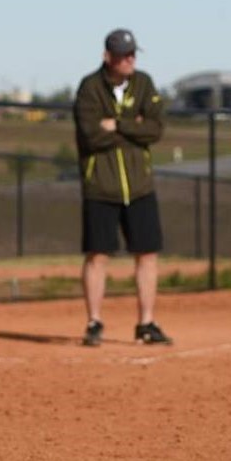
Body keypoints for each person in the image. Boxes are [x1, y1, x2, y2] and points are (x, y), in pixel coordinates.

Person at [73, 28, 172, 347]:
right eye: (123, 55)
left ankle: (146, 322)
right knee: (98, 255)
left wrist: (116, 124)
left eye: (132, 54)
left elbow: (155, 129)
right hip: (100, 186)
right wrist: (134, 125)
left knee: (147, 254)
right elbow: (91, 135)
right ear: (108, 57)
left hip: (140, 186)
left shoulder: (144, 83)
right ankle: (94, 322)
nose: (130, 60)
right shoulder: (90, 88)